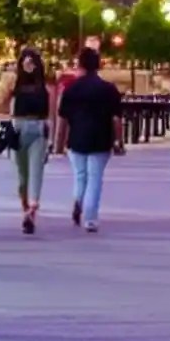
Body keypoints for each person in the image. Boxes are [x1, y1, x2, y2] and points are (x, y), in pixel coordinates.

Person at [57, 48, 123, 232]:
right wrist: (118, 142)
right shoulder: (109, 90)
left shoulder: (71, 90)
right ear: (98, 65)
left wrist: (59, 144)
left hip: (76, 138)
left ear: (80, 65)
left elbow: (63, 119)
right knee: (95, 178)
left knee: (80, 176)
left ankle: (78, 200)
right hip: (101, 139)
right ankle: (90, 218)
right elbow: (116, 119)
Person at [0, 48, 51, 235]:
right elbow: (50, 111)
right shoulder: (44, 83)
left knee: (22, 174)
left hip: (19, 126)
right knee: (36, 171)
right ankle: (32, 206)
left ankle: (26, 209)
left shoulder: (14, 81)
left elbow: (1, 105)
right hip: (38, 127)